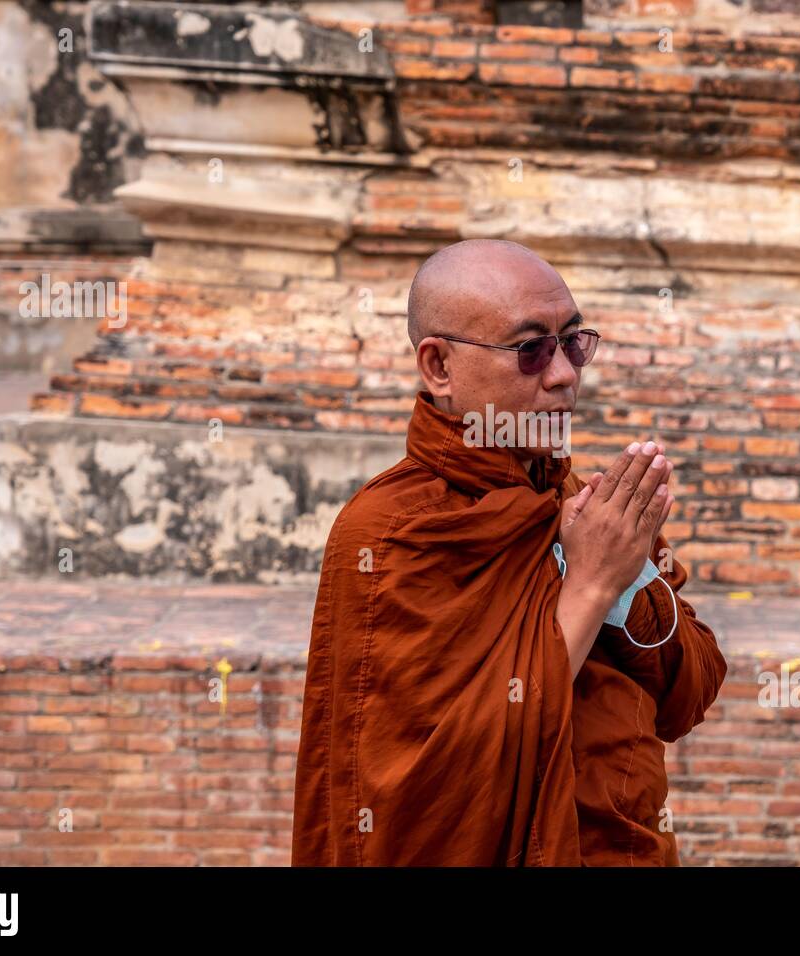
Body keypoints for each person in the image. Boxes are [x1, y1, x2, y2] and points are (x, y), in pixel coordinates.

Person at [291, 239, 727, 865]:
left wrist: (626, 583)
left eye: (574, 342)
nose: (565, 375)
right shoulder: (392, 532)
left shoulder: (579, 507)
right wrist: (592, 587)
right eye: (531, 351)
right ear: (438, 366)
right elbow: (439, 790)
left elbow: (690, 696)